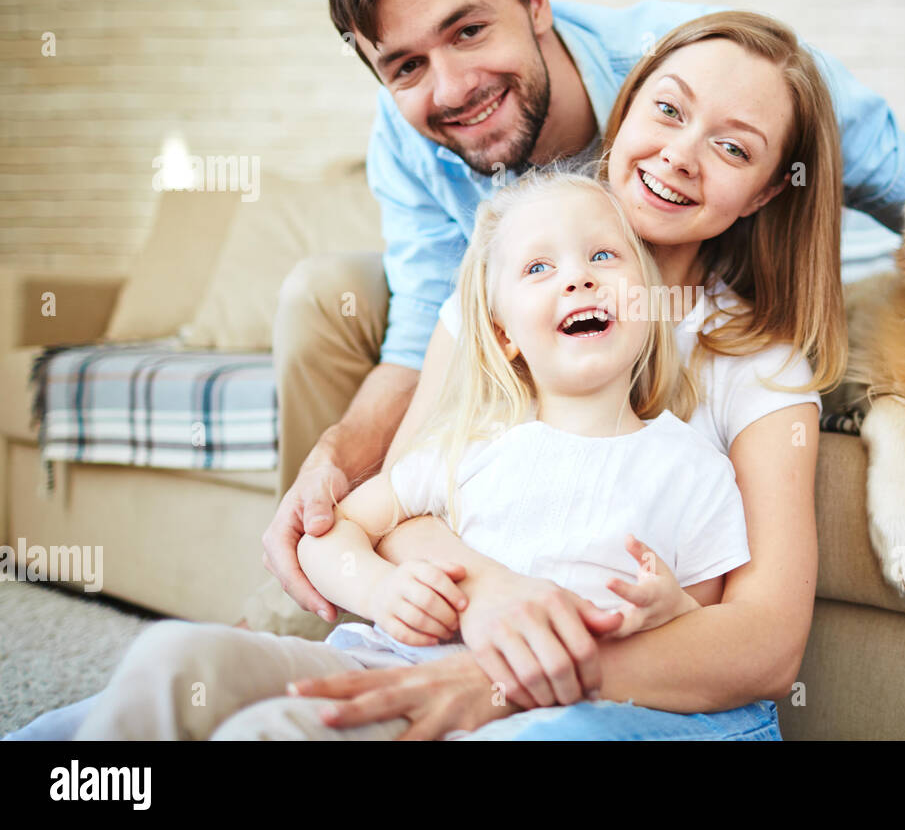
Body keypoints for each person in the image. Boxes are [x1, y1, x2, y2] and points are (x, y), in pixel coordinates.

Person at [5, 0, 905, 741]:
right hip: (449, 600)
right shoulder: (498, 282)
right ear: (629, 108)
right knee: (162, 675)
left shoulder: (746, 346)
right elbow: (408, 447)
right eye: (666, 112)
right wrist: (373, 536)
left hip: (581, 690)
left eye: (734, 145)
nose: (449, 85)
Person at [68, 173, 761, 740]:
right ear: (503, 333)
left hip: (520, 711)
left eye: (604, 256)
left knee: (275, 730)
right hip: (391, 655)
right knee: (173, 655)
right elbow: (329, 532)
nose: (577, 278)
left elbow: (695, 648)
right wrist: (377, 589)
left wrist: (671, 610)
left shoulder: (692, 466)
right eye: (540, 267)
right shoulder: (468, 447)